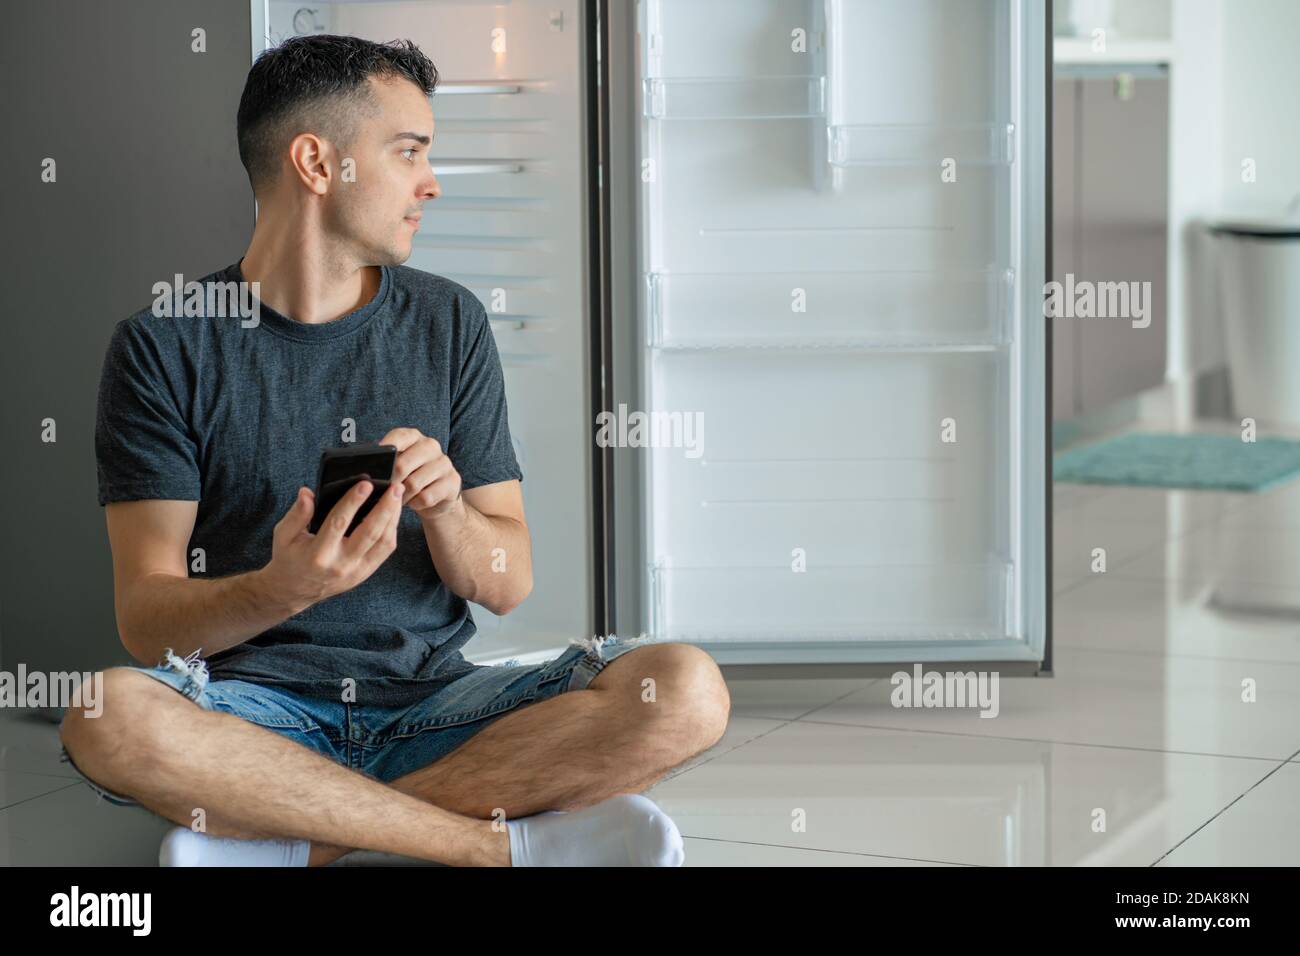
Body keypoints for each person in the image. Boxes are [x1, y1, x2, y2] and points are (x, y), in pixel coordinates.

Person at [59, 33, 729, 867]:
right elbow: (144, 616)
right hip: (252, 714)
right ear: (316, 163)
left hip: (441, 703)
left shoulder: (448, 323)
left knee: (686, 691)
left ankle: (301, 839)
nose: (431, 183)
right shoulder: (164, 345)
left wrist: (448, 509)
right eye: (408, 152)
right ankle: (485, 845)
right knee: (106, 714)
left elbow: (508, 582)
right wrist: (280, 589)